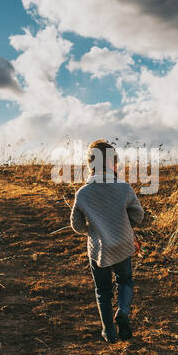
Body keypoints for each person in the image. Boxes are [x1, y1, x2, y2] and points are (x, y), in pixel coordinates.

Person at [70, 139, 144, 343]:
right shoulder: (124, 188)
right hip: (122, 244)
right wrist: (122, 225)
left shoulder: (83, 193)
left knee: (102, 291)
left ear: (90, 164)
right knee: (125, 281)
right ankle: (123, 311)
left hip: (98, 249)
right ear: (114, 163)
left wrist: (93, 230)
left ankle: (109, 333)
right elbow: (138, 216)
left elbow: (76, 225)